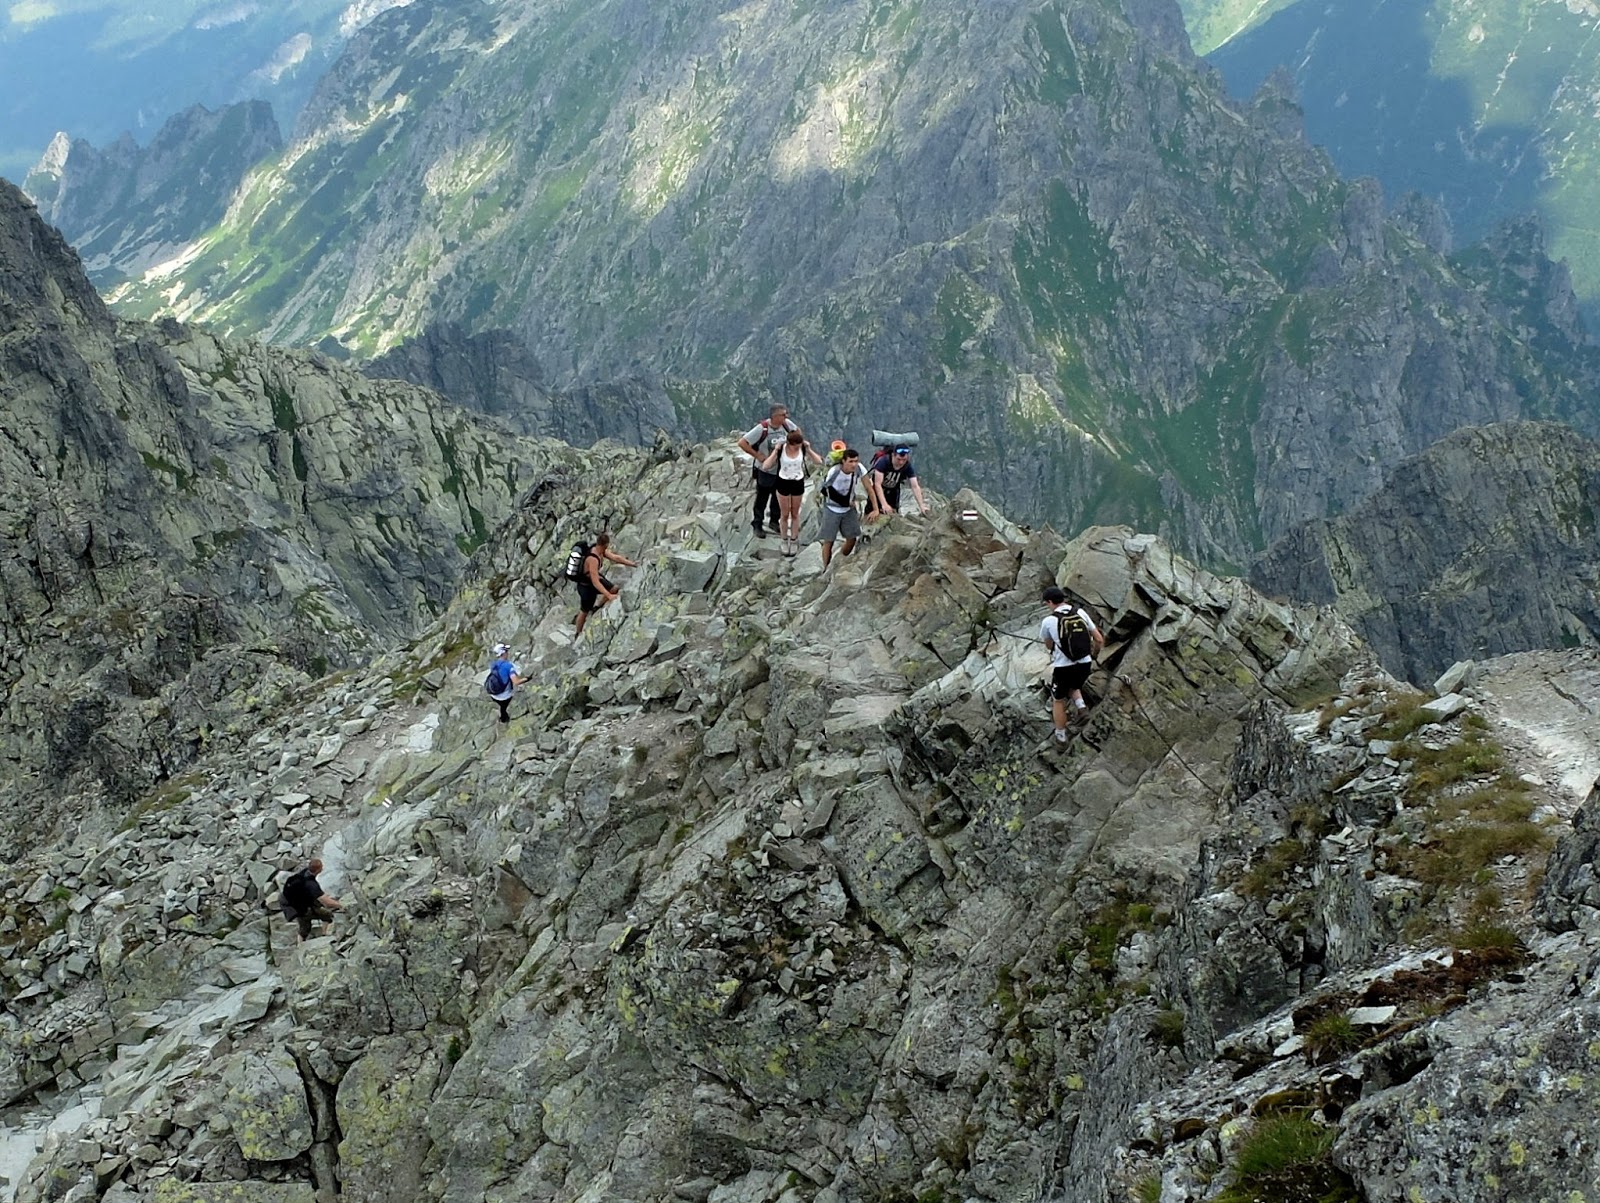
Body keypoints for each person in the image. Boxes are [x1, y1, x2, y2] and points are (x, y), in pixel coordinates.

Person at [1040, 585, 1104, 742]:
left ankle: (1061, 736)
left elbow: (1048, 645)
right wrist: (1093, 655)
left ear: (1050, 602)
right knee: (1074, 685)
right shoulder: (1080, 612)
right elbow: (1099, 639)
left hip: (1063, 667)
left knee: (1058, 699)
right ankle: (1082, 708)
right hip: (1085, 663)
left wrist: (1055, 648)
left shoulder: (1049, 621)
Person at [737, 404, 799, 538]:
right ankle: (757, 524)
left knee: (779, 496)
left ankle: (774, 521)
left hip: (782, 469)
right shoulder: (762, 429)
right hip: (765, 470)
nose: (786, 416)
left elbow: (797, 433)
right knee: (762, 497)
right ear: (775, 416)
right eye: (783, 414)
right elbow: (742, 442)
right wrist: (758, 455)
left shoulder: (787, 425)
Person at [761, 427, 823, 556]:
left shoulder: (802, 448)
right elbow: (766, 466)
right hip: (783, 481)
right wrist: (776, 450)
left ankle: (794, 540)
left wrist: (809, 449)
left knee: (795, 514)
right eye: (795, 446)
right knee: (784, 514)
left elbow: (818, 461)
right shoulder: (781, 450)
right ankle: (784, 540)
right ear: (789, 443)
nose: (797, 448)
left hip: (797, 482)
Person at [574, 531, 638, 635]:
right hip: (585, 586)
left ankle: (597, 607)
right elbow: (595, 582)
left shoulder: (601, 551)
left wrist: (632, 564)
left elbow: (616, 558)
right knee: (584, 611)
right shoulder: (593, 558)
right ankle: (577, 632)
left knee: (614, 588)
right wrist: (609, 596)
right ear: (605, 544)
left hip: (594, 579)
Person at [819, 449, 871, 568]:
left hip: (847, 509)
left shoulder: (858, 469)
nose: (854, 464)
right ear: (843, 461)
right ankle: (826, 567)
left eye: (856, 461)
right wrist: (845, 502)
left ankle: (839, 561)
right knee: (829, 540)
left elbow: (868, 486)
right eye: (851, 461)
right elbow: (825, 490)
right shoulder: (834, 471)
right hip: (832, 508)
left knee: (852, 538)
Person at [280, 857, 342, 942]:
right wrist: (340, 905)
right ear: (318, 870)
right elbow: (326, 903)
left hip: (293, 901)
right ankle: (322, 936)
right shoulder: (311, 885)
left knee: (305, 926)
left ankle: (303, 943)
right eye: (321, 867)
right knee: (321, 918)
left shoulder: (304, 873)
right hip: (300, 908)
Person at [868, 445, 929, 518]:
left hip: (893, 491)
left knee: (893, 514)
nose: (901, 462)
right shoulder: (883, 462)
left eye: (904, 460)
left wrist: (922, 506)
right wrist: (884, 504)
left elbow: (915, 486)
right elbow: (877, 484)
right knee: (871, 513)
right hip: (878, 491)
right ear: (893, 455)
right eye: (898, 459)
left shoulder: (907, 466)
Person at [485, 642, 527, 724]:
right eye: (506, 651)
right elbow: (516, 682)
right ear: (503, 653)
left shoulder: (493, 664)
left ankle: (501, 718)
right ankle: (505, 720)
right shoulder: (508, 666)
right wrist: (526, 679)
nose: (508, 653)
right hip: (505, 696)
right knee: (505, 709)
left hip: (494, 694)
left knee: (500, 708)